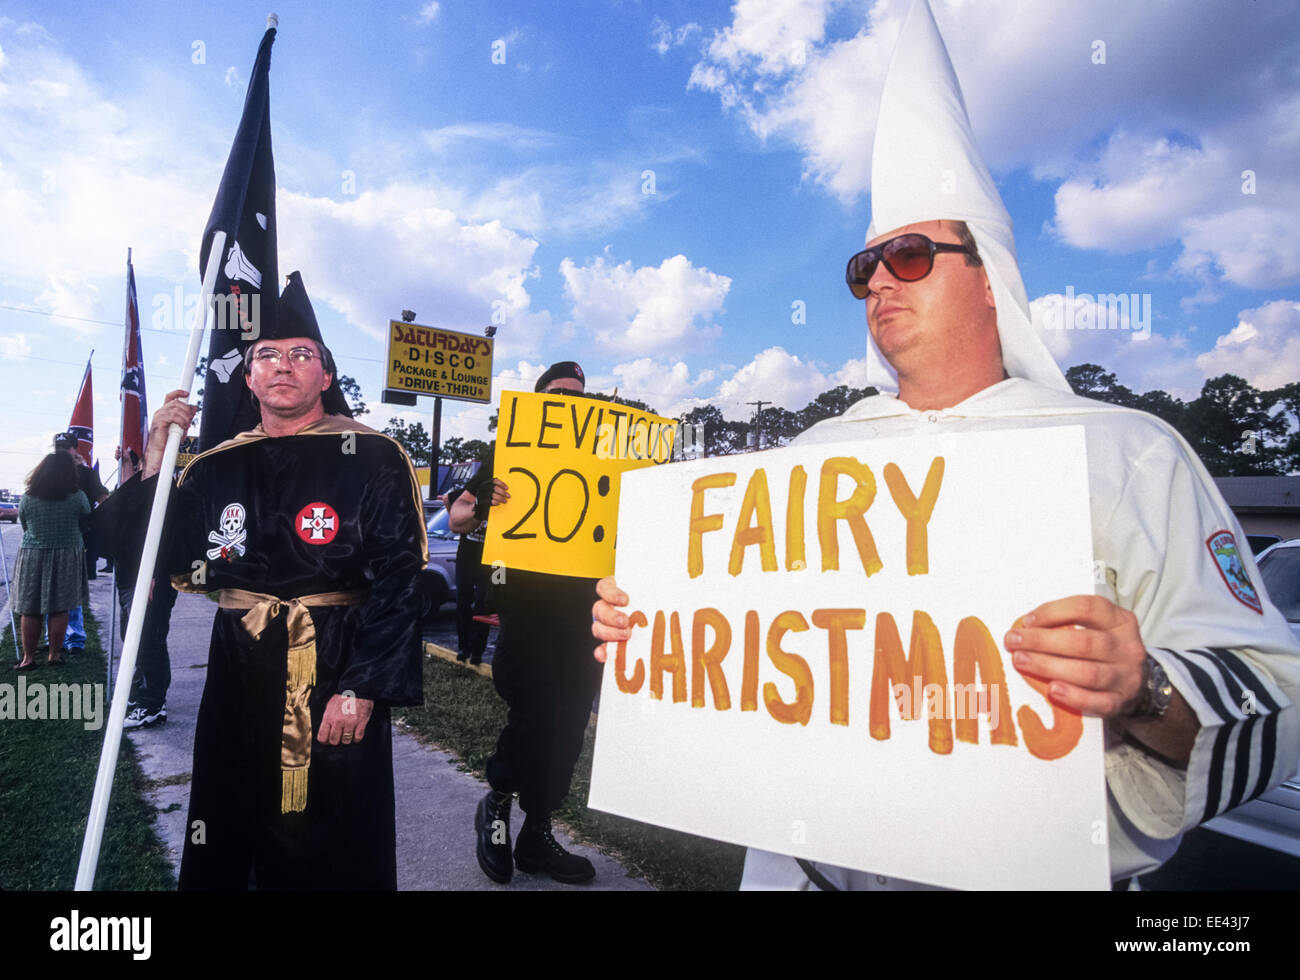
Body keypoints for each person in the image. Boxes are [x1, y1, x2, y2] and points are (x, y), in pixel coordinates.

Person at [592, 0, 1300, 890]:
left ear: (992, 279)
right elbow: (731, 647)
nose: (880, 280)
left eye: (914, 255)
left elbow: (1275, 705)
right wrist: (649, 625)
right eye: (864, 267)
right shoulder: (805, 461)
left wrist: (1143, 689)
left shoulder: (1129, 452)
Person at [95, 271, 427, 889]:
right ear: (248, 379)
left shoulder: (376, 456)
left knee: (332, 825)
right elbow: (138, 550)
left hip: (333, 660)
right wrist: (153, 458)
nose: (283, 366)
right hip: (238, 663)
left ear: (325, 376)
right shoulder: (217, 465)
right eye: (266, 356)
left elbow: (402, 582)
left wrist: (362, 686)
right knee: (232, 809)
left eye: (302, 355)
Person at [451, 360, 602, 885]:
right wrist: (485, 503)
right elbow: (457, 516)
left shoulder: (600, 455)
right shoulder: (507, 453)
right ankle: (496, 802)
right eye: (559, 393)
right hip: (527, 605)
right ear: (539, 400)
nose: (569, 401)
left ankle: (537, 833)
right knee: (536, 713)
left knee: (569, 725)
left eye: (579, 395)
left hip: (583, 610)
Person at [12, 452, 89, 670]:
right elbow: (86, 520)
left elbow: (25, 525)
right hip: (67, 554)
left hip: (32, 554)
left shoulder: (28, 497)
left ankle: (28, 658)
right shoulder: (78, 497)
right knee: (60, 607)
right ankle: (54, 655)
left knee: (30, 608)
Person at [50, 431, 108, 653]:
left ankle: (74, 637)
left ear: (75, 450)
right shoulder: (47, 473)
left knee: (72, 592)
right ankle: (53, 638)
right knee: (52, 590)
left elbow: (103, 500)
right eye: (59, 449)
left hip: (80, 538)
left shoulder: (86, 474)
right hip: (52, 538)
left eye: (66, 448)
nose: (63, 453)